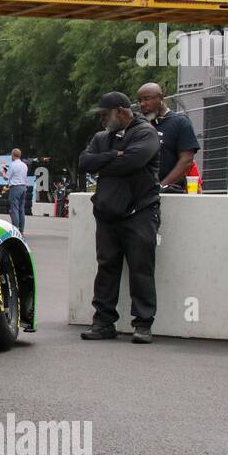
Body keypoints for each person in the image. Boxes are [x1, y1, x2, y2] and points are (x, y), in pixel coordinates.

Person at [77, 92, 161, 344]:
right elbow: (84, 162)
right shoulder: (102, 138)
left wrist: (103, 164)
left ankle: (143, 323)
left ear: (121, 111)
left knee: (141, 268)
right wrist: (114, 156)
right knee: (106, 267)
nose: (102, 119)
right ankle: (103, 322)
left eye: (105, 114)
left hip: (140, 211)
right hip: (107, 212)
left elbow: (134, 162)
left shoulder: (145, 133)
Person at [136, 82, 200, 191]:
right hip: (143, 193)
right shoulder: (141, 125)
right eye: (140, 101)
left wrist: (161, 186)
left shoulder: (180, 122)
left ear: (161, 98)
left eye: (147, 99)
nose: (142, 104)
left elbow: (186, 160)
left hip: (171, 193)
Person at [2, 149, 28, 232]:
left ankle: (15, 229)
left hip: (15, 187)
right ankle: (21, 230)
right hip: (23, 187)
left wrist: (3, 172)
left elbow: (7, 177)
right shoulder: (24, 165)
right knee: (21, 209)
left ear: (13, 155)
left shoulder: (13, 165)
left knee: (14, 209)